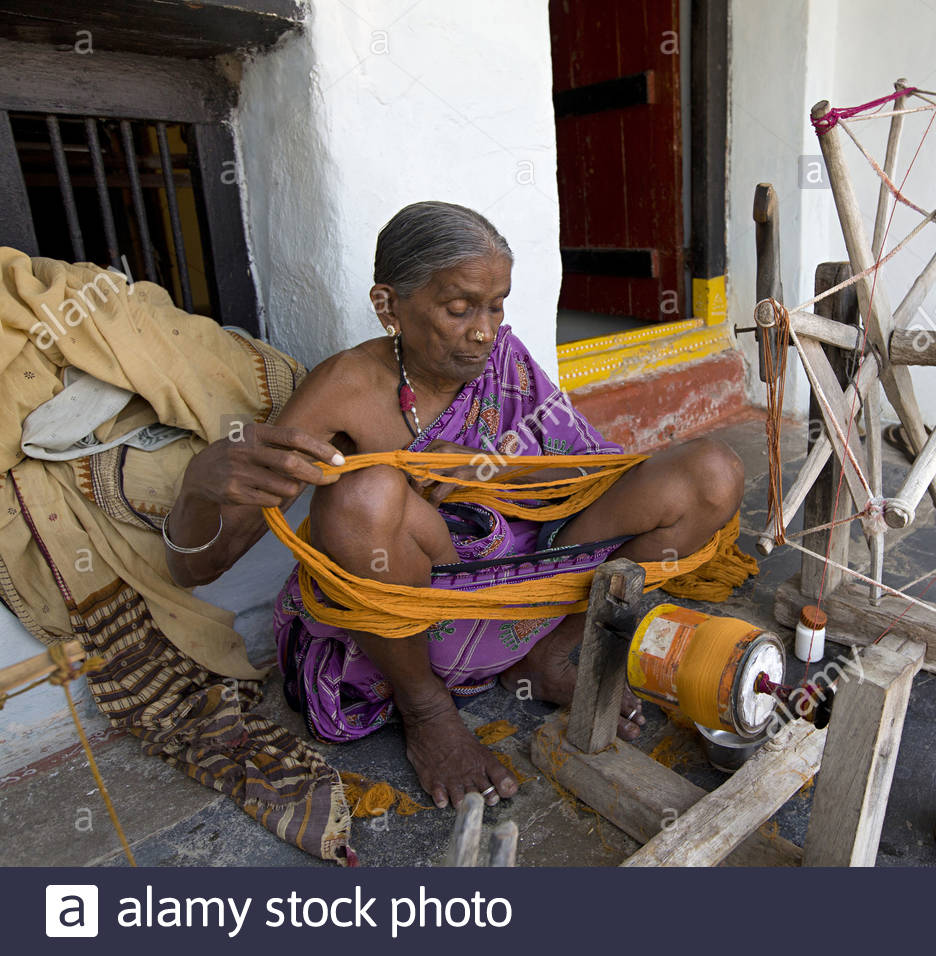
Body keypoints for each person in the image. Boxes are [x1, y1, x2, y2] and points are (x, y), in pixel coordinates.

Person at [164, 201, 745, 811]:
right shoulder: (345, 389)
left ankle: (553, 656)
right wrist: (200, 487)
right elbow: (196, 568)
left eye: (496, 305)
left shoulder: (506, 361)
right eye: (459, 307)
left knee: (712, 474)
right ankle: (429, 710)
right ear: (389, 306)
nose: (484, 330)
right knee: (360, 493)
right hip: (422, 610)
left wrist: (492, 471)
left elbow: (592, 468)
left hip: (533, 584)